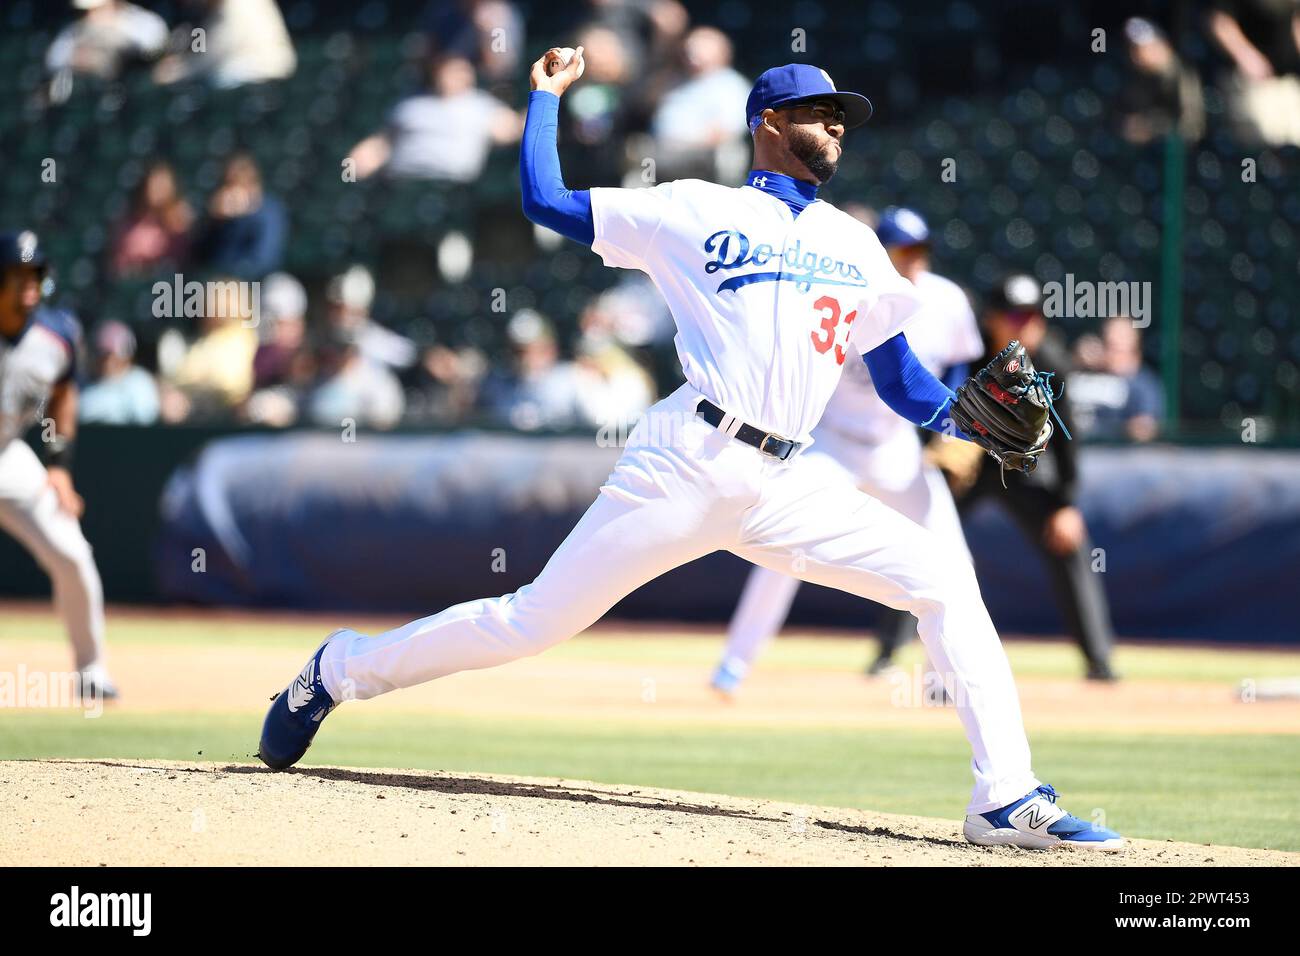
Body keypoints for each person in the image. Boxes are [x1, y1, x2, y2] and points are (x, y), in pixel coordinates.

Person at [258, 52, 1125, 851]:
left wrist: (971, 425)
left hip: (785, 479)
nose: (836, 128)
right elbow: (545, 201)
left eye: (842, 117)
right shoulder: (691, 208)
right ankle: (337, 671)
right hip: (685, 460)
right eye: (819, 112)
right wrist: (545, 98)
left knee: (942, 577)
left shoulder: (855, 246)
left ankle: (1004, 796)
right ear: (769, 123)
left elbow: (900, 382)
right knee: (531, 622)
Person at [711, 206, 985, 695]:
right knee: (782, 549)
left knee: (953, 556)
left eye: (920, 250)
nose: (913, 260)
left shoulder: (946, 300)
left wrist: (954, 430)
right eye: (903, 250)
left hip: (897, 449)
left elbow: (961, 365)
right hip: (832, 445)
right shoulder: (844, 288)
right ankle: (734, 665)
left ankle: (951, 681)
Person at [942, 275, 1119, 681]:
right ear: (991, 319)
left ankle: (1099, 662)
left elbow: (1066, 438)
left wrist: (1066, 504)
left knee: (1069, 545)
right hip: (968, 468)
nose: (1025, 324)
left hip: (1020, 470)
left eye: (1033, 315)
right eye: (1014, 315)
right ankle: (885, 656)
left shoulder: (1051, 361)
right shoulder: (968, 352)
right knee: (926, 537)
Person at [0, 231, 116, 699]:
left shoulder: (57, 334)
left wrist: (59, 464)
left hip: (8, 456)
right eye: (18, 274)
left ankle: (92, 672)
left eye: (37, 274)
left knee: (72, 554)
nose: (30, 284)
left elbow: (64, 392)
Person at [346, 56, 524, 183]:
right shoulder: (412, 105)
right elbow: (382, 144)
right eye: (451, 71)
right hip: (403, 182)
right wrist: (356, 165)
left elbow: (512, 128)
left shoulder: (481, 105)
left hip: (451, 186)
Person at [153, 0, 296, 89]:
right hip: (251, 71)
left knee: (211, 82)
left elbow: (214, 54)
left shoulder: (239, 5)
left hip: (263, 69)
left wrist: (177, 71)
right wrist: (180, 55)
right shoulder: (202, 16)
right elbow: (198, 46)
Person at [44, 0, 168, 102]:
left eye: (97, 9)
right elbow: (54, 60)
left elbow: (156, 45)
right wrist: (78, 58)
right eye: (87, 11)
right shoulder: (76, 31)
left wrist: (116, 35)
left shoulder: (140, 22)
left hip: (140, 91)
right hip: (95, 97)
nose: (91, 15)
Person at [191, 151, 287, 280]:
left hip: (256, 283)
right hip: (219, 282)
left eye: (235, 184)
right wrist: (214, 221)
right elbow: (201, 256)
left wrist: (244, 216)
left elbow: (263, 260)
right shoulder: (222, 215)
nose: (230, 191)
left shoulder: (269, 212)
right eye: (227, 184)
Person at [1068, 316, 1163, 442]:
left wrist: (1116, 430)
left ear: (1134, 346)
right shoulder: (1086, 374)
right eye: (1108, 344)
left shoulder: (1144, 386)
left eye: (1117, 346)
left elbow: (1144, 429)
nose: (1111, 352)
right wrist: (1076, 360)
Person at [108, 160, 194, 279]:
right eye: (154, 184)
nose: (157, 190)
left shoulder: (179, 221)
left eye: (162, 185)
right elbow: (119, 262)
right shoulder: (132, 219)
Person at [78, 320, 160, 424]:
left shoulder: (140, 384)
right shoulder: (82, 385)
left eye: (112, 354)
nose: (108, 361)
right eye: (101, 354)